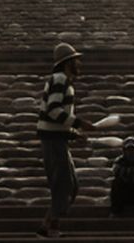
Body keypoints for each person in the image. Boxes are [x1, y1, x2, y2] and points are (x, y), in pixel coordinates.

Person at [37, 43, 90, 238]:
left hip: (57, 138)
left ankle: (48, 226)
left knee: (70, 185)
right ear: (68, 63)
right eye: (76, 60)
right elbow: (53, 110)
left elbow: (56, 118)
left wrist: (73, 132)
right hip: (53, 141)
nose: (79, 63)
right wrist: (79, 123)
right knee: (64, 185)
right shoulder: (60, 80)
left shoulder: (63, 80)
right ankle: (49, 228)